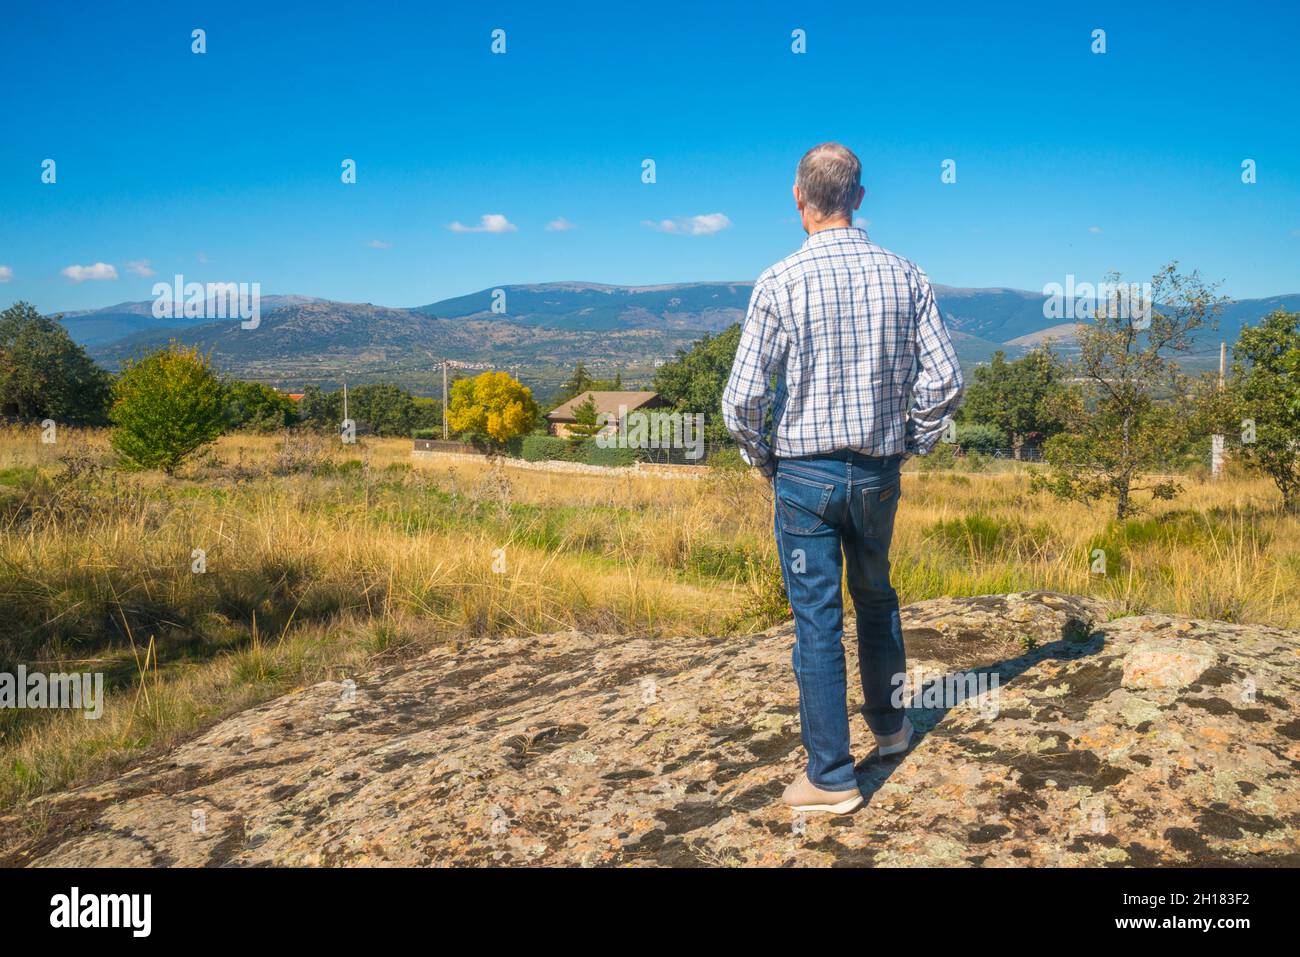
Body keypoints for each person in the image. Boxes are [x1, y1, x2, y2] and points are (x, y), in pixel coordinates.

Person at [721, 143, 964, 813]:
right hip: (878, 473)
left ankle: (830, 776)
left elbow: (741, 399)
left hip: (804, 477)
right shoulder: (907, 275)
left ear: (798, 201)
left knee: (818, 622)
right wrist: (908, 441)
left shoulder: (778, 281)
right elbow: (945, 380)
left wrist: (765, 460)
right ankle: (889, 729)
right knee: (878, 596)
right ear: (859, 198)